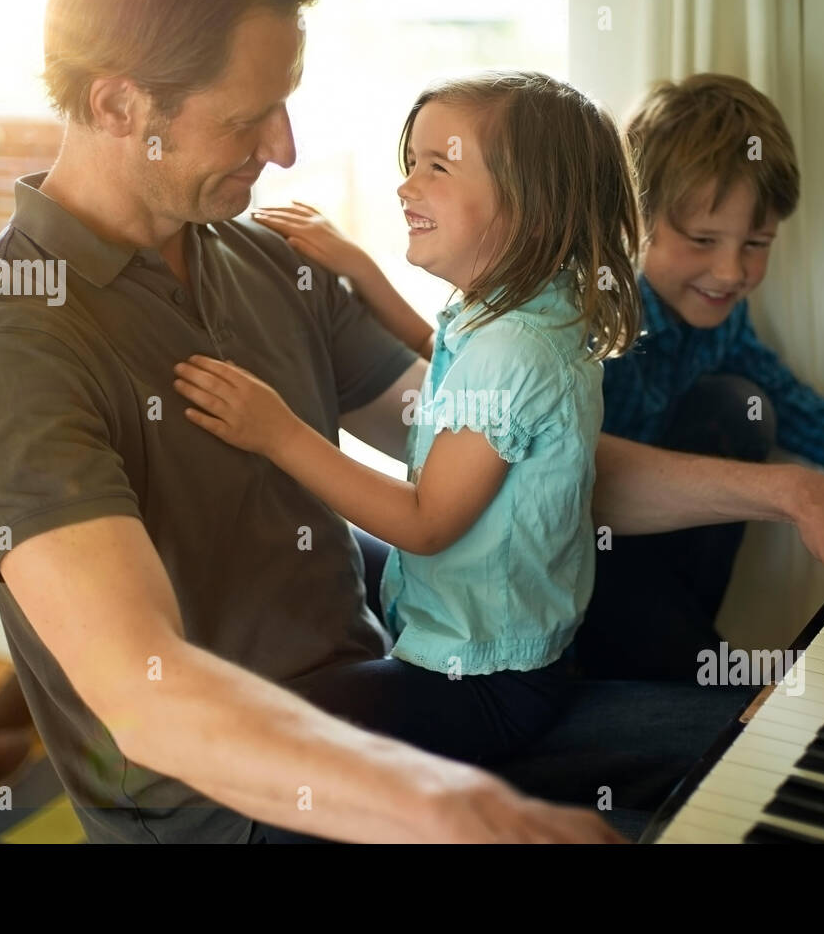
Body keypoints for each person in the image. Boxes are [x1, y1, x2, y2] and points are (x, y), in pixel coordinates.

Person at [0, 0, 824, 844]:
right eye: (249, 117)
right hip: (241, 810)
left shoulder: (263, 259)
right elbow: (150, 694)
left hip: (407, 685)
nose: (285, 146)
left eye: (287, 106)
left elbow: (508, 455)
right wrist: (445, 809)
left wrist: (787, 492)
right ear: (117, 101)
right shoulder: (9, 345)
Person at [174, 70, 641, 769]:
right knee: (318, 542)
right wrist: (360, 266)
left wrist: (277, 432)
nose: (406, 186)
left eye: (438, 168)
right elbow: (442, 347)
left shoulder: (514, 351)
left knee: (271, 725)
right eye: (412, 163)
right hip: (503, 653)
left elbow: (424, 522)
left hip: (482, 686)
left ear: (532, 210)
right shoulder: (529, 309)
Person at [574, 74, 824, 680]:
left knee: (741, 403)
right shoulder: (592, 312)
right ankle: (681, 666)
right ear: (636, 217)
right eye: (703, 239)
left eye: (756, 243)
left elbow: (789, 397)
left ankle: (683, 647)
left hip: (657, 550)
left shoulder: (719, 321)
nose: (731, 271)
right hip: (574, 558)